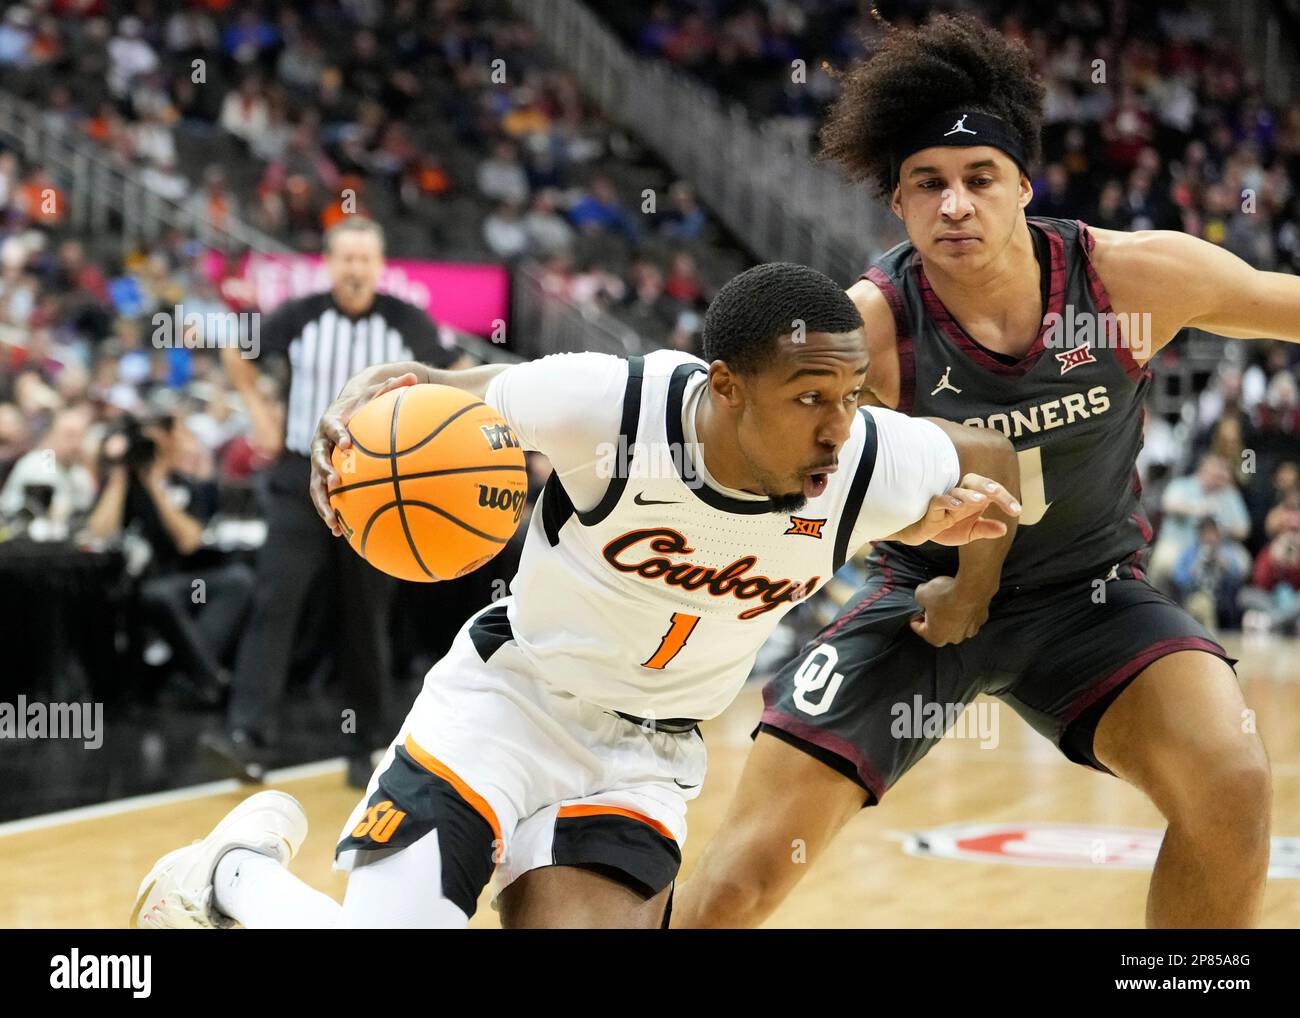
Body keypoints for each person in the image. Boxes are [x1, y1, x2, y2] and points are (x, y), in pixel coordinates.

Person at [131, 260, 1021, 929]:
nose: (839, 425)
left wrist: (965, 591)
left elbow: (992, 457)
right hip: (508, 705)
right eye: (811, 397)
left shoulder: (871, 458)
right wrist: (368, 407)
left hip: (645, 758)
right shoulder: (611, 408)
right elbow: (445, 397)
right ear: (726, 388)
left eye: (854, 394)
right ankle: (227, 876)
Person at [673, 13, 1299, 930]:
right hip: (921, 607)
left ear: (1024, 188)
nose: (955, 204)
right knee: (741, 877)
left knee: (1233, 782)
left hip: (1092, 604)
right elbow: (732, 435)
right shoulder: (870, 328)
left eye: (979, 179)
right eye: (928, 184)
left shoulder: (1132, 279)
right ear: (898, 204)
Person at [201, 216, 463, 787]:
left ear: (379, 264)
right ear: (329, 262)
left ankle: (366, 745)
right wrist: (261, 414)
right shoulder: (303, 315)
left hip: (374, 490)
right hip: (302, 475)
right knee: (275, 602)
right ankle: (249, 739)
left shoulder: (405, 322)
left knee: (365, 616)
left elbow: (457, 374)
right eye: (345, 258)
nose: (355, 268)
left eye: (364, 259)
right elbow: (236, 350)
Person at [85, 412, 254, 704]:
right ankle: (209, 678)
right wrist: (122, 475)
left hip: (182, 578)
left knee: (239, 580)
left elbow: (189, 541)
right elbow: (100, 531)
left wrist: (155, 485)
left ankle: (188, 676)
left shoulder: (182, 484)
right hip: (135, 582)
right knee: (158, 594)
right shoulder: (121, 486)